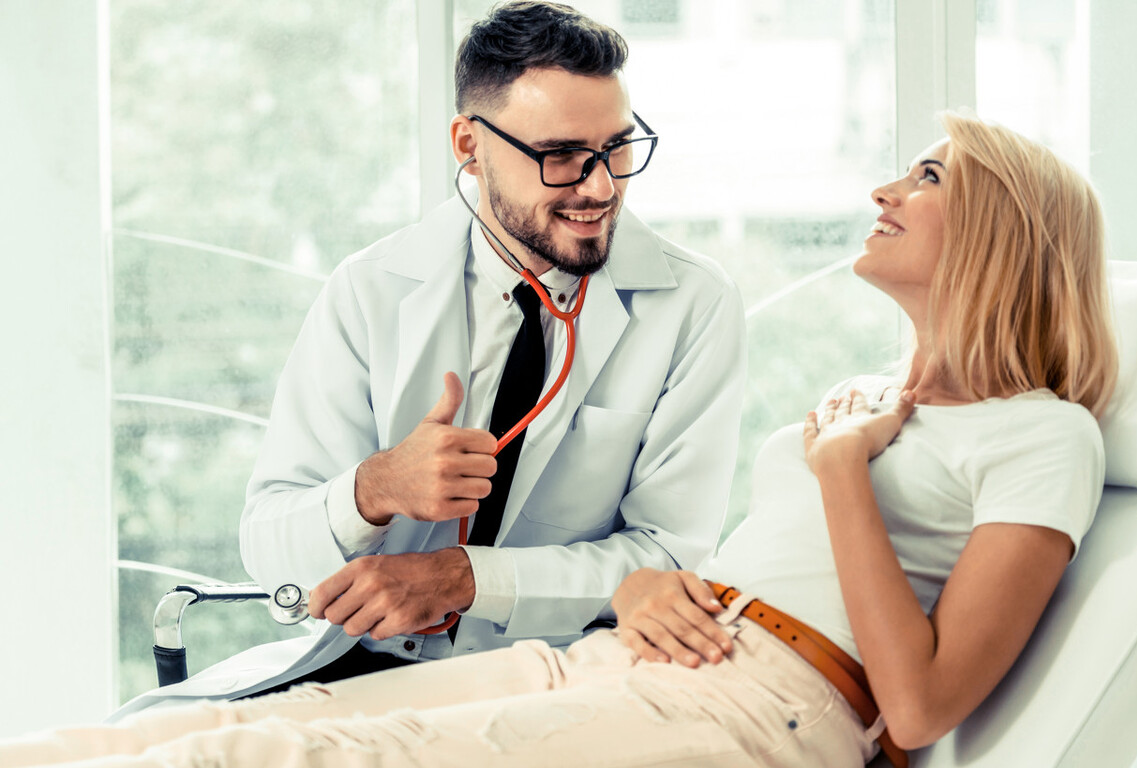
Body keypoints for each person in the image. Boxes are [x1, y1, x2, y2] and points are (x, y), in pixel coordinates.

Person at [0, 113, 1118, 768]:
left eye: (929, 176)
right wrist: (642, 590)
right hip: (634, 658)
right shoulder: (866, 399)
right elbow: (722, 563)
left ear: (1007, 232)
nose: (885, 191)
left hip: (767, 718)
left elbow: (916, 709)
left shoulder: (1043, 432)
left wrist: (837, 471)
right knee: (254, 728)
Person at [108, 2, 747, 719]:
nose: (601, 186)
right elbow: (270, 547)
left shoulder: (693, 303)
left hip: (554, 675)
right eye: (561, 156)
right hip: (361, 671)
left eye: (618, 148)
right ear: (469, 145)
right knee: (138, 741)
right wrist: (375, 489)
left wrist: (463, 577)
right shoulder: (371, 290)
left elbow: (667, 556)